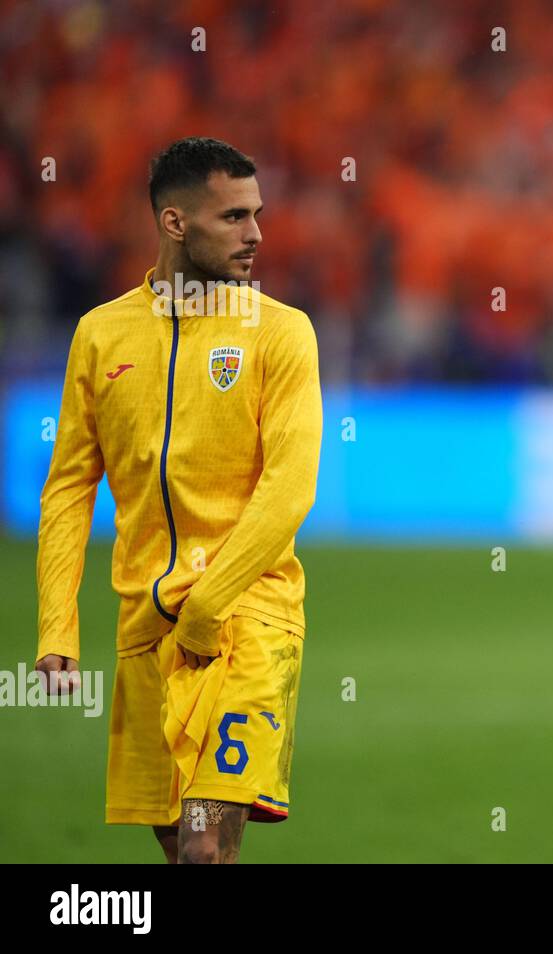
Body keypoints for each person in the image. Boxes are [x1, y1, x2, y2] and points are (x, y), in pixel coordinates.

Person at [35, 136, 323, 863]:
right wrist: (56, 630)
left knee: (204, 847)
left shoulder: (282, 334)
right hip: (145, 631)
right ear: (173, 223)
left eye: (257, 215)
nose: (256, 234)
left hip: (245, 620)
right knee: (180, 854)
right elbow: (70, 485)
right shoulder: (101, 336)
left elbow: (290, 487)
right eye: (233, 217)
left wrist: (207, 605)